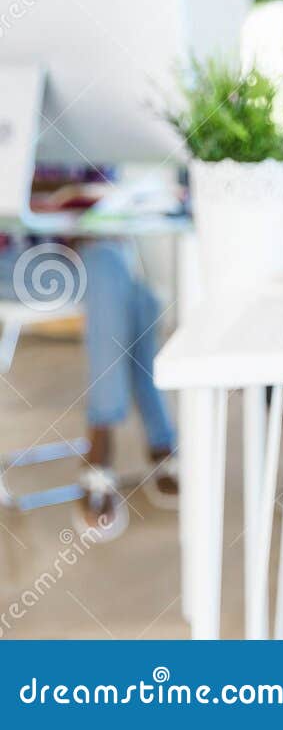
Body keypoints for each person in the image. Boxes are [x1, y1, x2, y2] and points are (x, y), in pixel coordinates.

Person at [1, 223, 176, 540]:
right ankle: (148, 444)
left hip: (77, 258)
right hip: (14, 261)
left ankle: (107, 452)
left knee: (131, 286)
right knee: (121, 281)